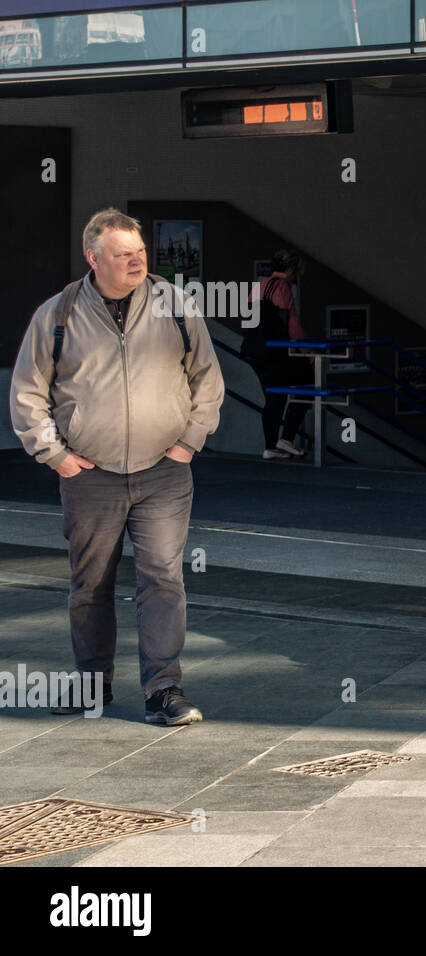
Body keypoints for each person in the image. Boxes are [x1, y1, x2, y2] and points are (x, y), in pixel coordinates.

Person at [9, 208, 225, 725]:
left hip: (165, 473)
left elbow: (207, 380)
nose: (136, 262)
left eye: (140, 252)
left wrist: (188, 443)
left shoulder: (175, 305)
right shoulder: (57, 314)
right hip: (91, 477)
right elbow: (27, 393)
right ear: (94, 258)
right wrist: (57, 457)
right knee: (90, 584)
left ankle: (164, 690)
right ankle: (91, 683)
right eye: (123, 254)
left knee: (163, 579)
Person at [243, 250, 310, 459]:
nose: (295, 277)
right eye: (295, 272)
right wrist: (308, 352)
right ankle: (286, 438)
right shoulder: (282, 287)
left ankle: (270, 446)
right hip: (274, 352)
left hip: (254, 351)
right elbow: (292, 324)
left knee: (274, 395)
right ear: (289, 269)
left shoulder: (258, 286)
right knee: (308, 384)